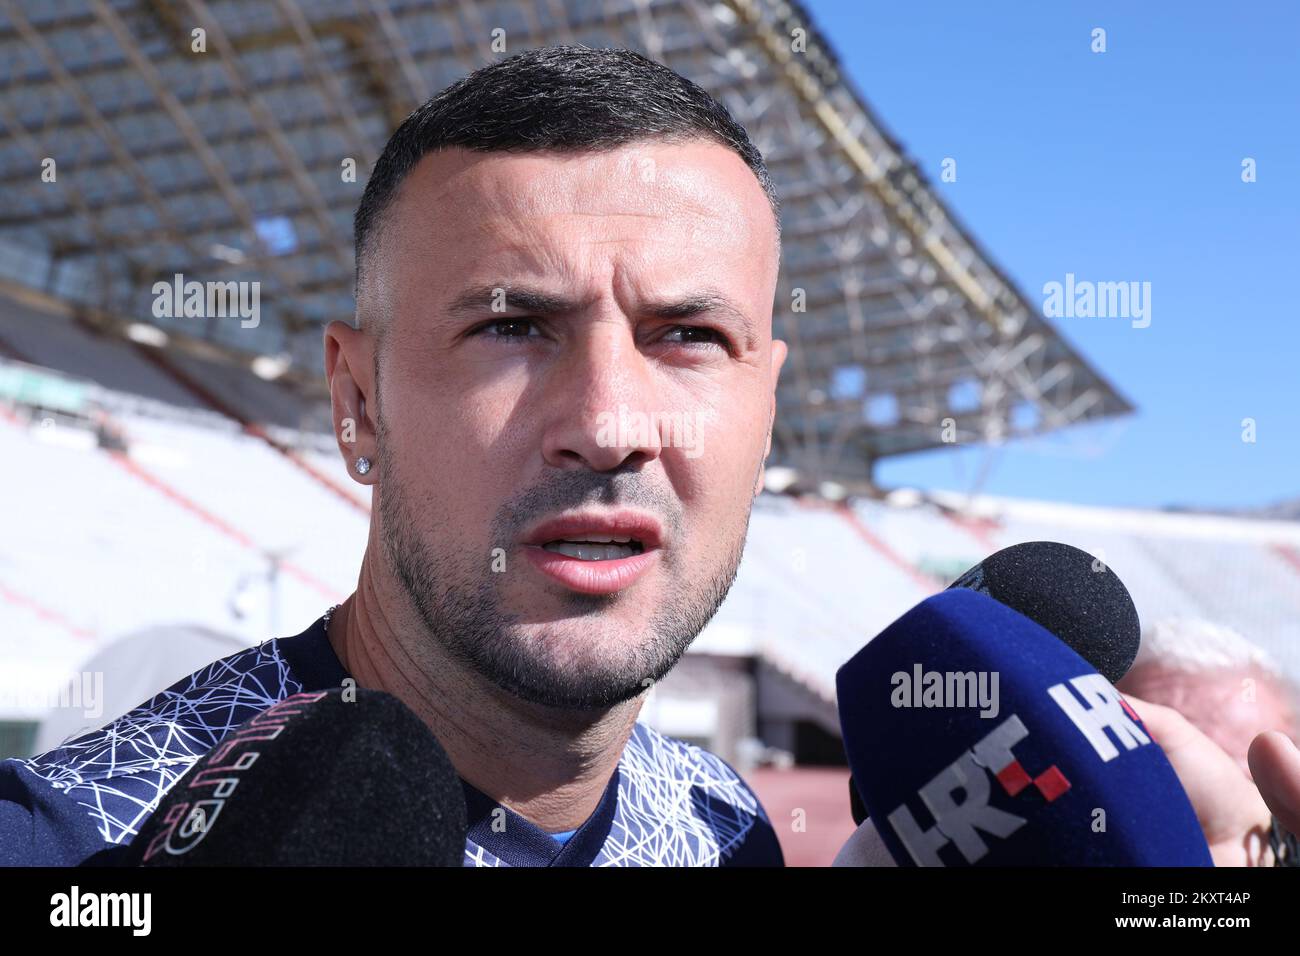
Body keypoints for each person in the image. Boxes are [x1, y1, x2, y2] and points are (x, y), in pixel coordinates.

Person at [0, 45, 787, 867]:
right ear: (360, 406)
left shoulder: (725, 828)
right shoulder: (74, 844)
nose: (607, 425)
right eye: (512, 327)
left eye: (691, 336)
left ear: (764, 416)